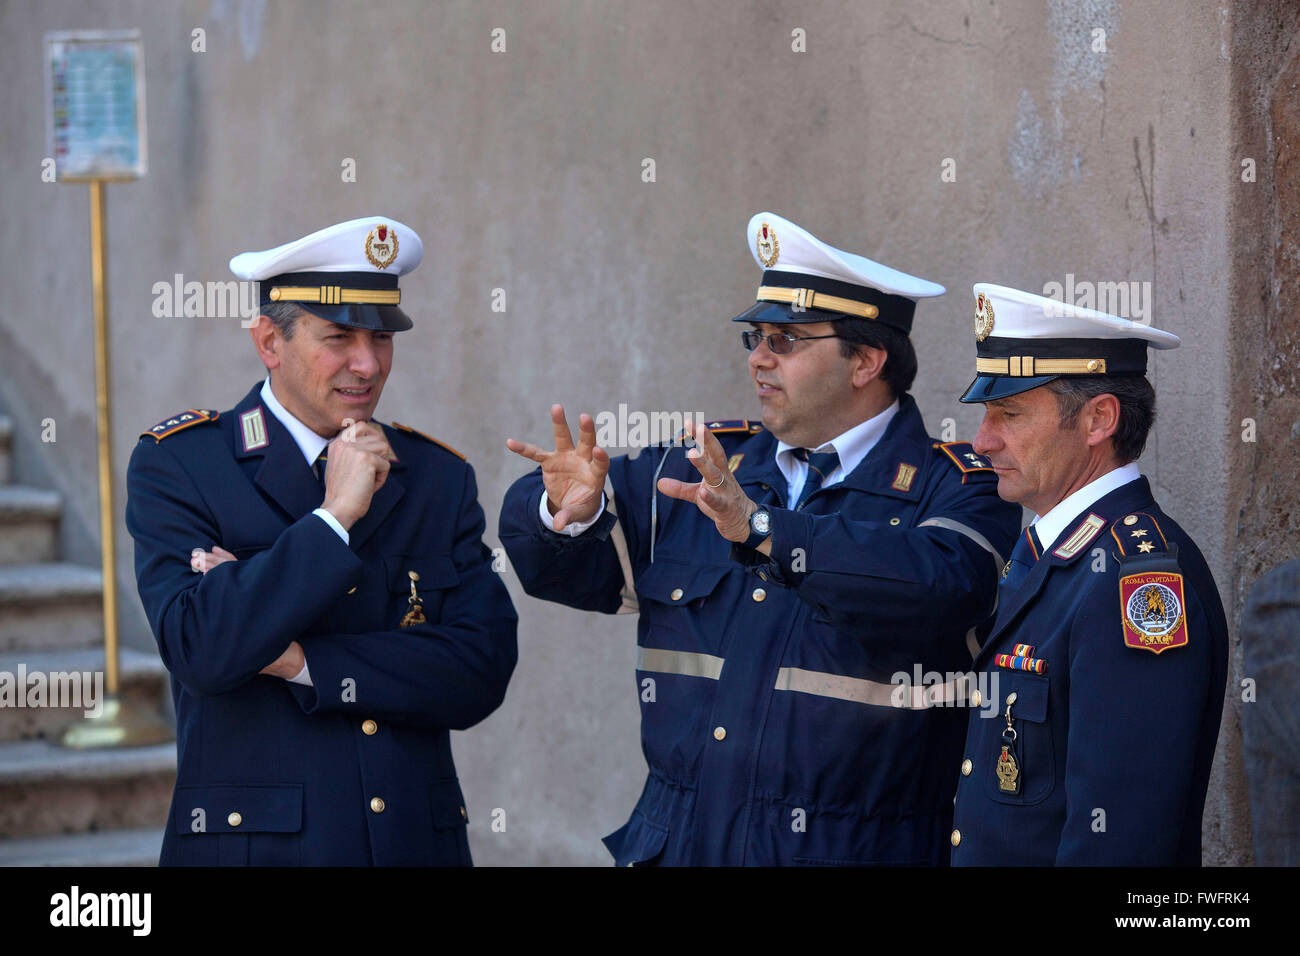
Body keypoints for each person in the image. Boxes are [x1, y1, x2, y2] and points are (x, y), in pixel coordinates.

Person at [498, 213, 1021, 865]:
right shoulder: (704, 467)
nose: (758, 357)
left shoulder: (960, 489)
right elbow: (551, 566)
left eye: (786, 339)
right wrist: (564, 508)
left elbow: (942, 588)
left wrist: (765, 530)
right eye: (755, 336)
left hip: (854, 845)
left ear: (866, 360)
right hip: (682, 842)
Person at [125, 216, 518, 865]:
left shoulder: (437, 477)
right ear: (267, 342)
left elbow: (480, 670)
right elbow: (202, 647)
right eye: (338, 337)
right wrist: (332, 518)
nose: (367, 364)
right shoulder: (185, 465)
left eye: (382, 336)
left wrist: (298, 659)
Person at [948, 283, 1228, 865]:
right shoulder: (1055, 553)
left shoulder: (1136, 581)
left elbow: (1120, 838)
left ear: (1099, 418)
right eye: (985, 414)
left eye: (1010, 414)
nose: (983, 441)